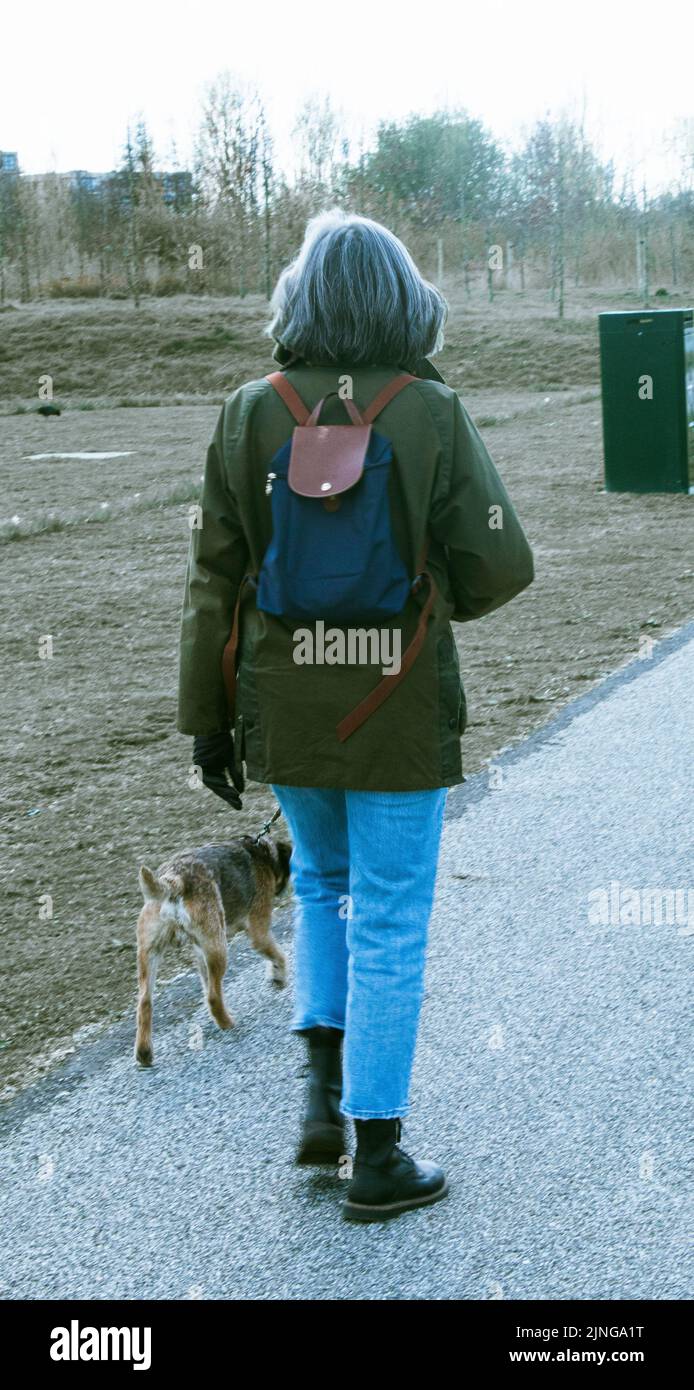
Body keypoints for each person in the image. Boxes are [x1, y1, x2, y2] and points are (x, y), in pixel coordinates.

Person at [177, 209, 534, 1223]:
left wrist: (209, 717)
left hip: (287, 708)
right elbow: (504, 562)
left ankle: (321, 1108)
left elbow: (213, 580)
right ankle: (377, 1155)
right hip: (396, 700)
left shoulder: (250, 411)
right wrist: (426, 593)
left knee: (323, 893)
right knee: (388, 915)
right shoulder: (430, 410)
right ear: (402, 299)